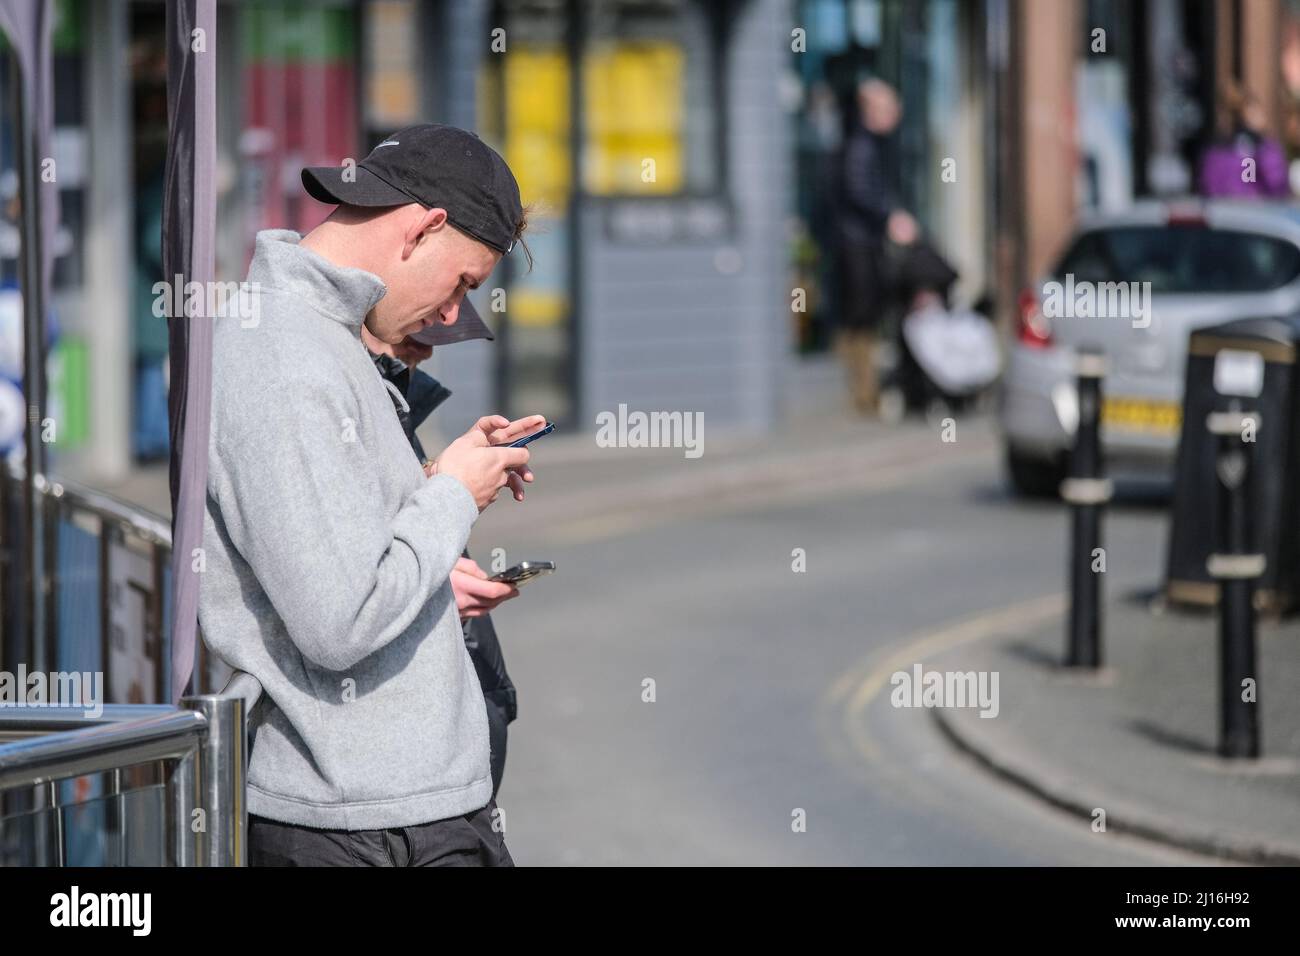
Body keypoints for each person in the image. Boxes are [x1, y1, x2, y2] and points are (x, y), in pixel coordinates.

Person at [199, 125, 539, 866]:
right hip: (361, 826)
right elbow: (337, 622)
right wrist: (451, 493)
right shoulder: (282, 355)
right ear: (424, 228)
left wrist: (436, 569)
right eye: (464, 284)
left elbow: (349, 553)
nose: (454, 315)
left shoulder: (325, 336)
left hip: (396, 813)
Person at [362, 325, 520, 800]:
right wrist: (436, 585)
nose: (428, 348)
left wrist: (445, 469)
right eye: (420, 326)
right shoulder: (340, 396)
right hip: (402, 786)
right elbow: (345, 587)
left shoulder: (387, 398)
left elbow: (386, 510)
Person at [836, 78, 918, 416]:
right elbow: (860, 191)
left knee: (865, 313)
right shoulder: (861, 145)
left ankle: (865, 391)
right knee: (861, 315)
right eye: (887, 107)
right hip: (858, 241)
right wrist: (890, 218)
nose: (895, 114)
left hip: (862, 239)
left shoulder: (874, 144)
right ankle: (863, 392)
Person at [1198, 84, 1289, 198]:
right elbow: (1210, 184)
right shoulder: (1218, 151)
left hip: (1254, 210)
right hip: (1236, 210)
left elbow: (1276, 183)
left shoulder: (1266, 150)